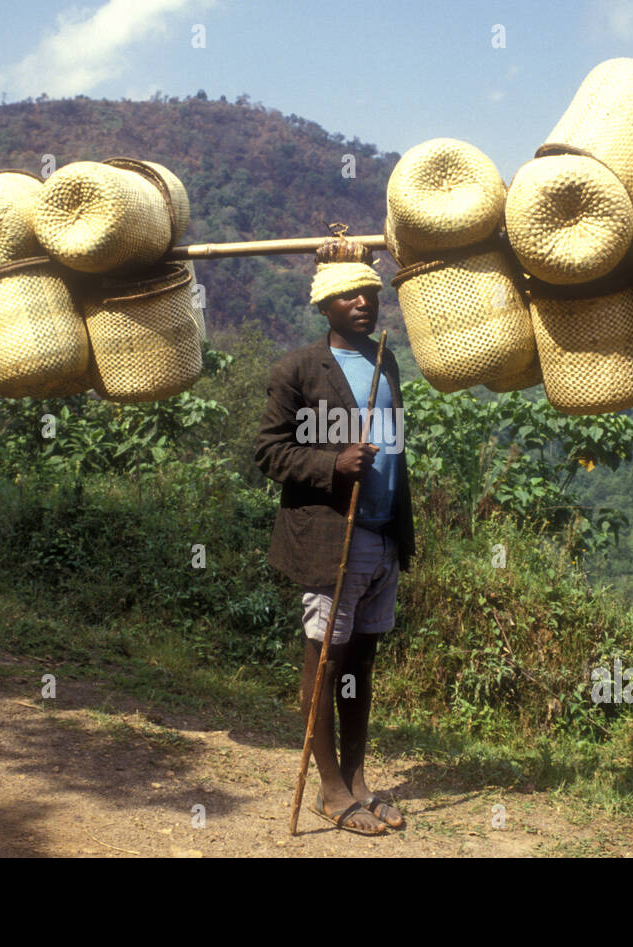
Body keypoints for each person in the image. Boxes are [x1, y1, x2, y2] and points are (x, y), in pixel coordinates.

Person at [253, 237, 415, 835]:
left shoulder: (384, 361)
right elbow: (268, 451)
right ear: (324, 306)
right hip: (331, 537)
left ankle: (358, 779)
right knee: (323, 662)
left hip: (381, 536)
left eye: (369, 292)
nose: (363, 302)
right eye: (347, 294)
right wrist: (332, 464)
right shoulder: (297, 369)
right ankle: (328, 789)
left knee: (361, 665)